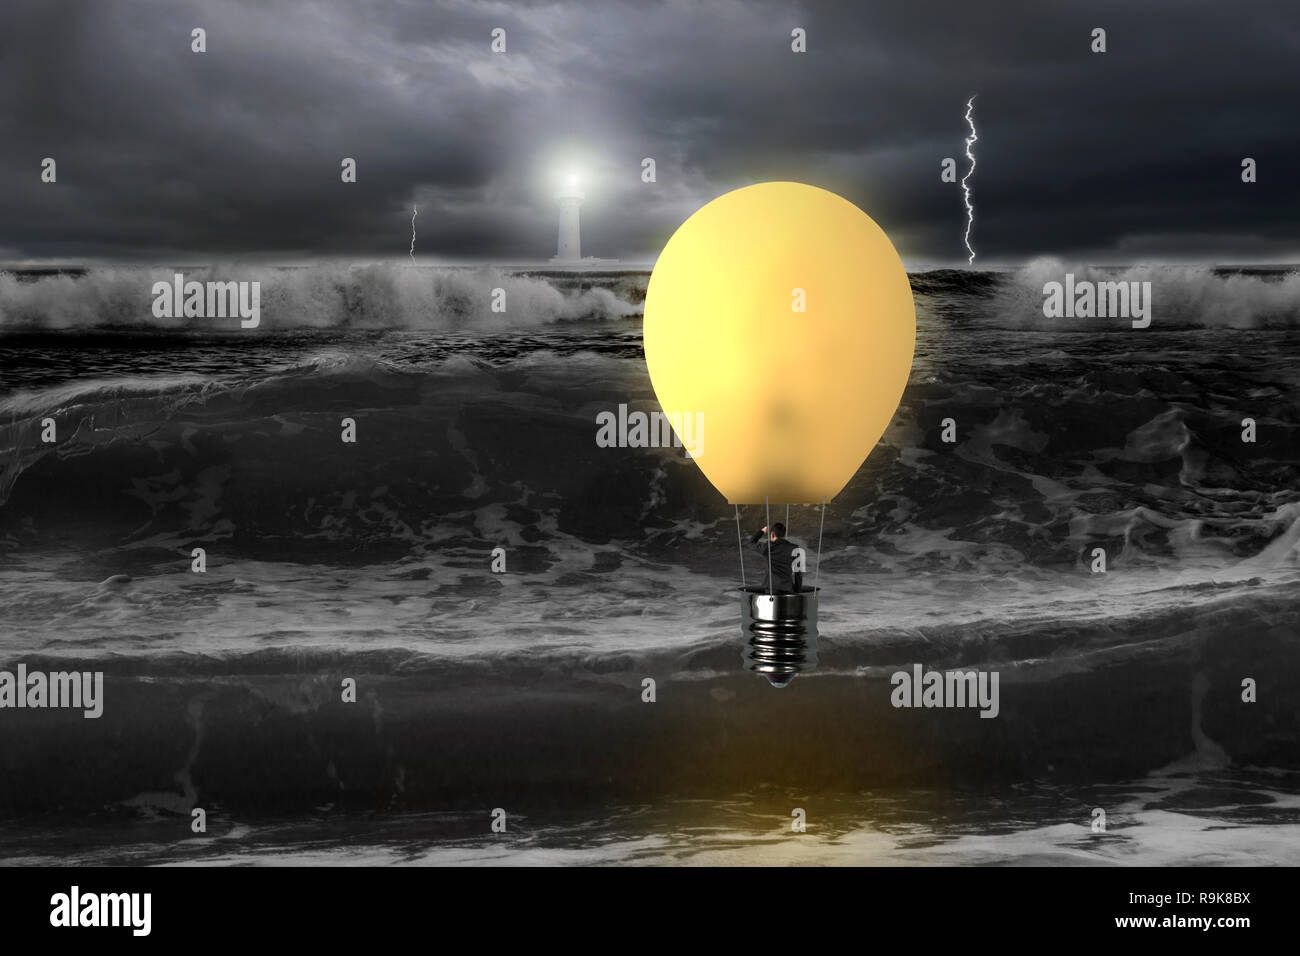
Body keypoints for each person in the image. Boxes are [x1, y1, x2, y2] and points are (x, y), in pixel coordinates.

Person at [748, 522, 802, 593]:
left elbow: (750, 543)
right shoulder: (795, 548)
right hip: (788, 588)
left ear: (772, 534)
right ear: (784, 534)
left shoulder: (767, 547)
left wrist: (762, 531)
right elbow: (798, 573)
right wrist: (797, 591)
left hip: (771, 588)